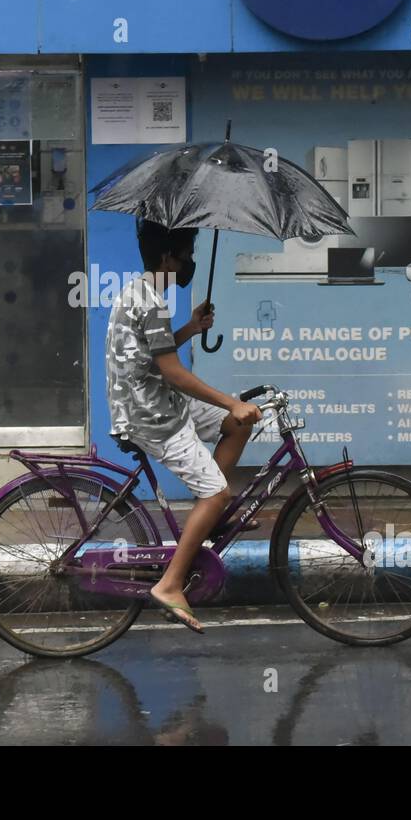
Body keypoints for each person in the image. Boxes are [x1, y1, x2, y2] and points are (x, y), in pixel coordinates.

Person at [105, 219, 262, 634]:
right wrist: (232, 400)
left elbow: (154, 351)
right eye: (187, 252)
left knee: (235, 426)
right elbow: (173, 373)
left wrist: (191, 329)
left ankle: (212, 515)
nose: (191, 259)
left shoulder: (142, 291)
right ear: (167, 256)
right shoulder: (150, 301)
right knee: (216, 489)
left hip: (158, 401)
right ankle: (171, 584)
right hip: (152, 414)